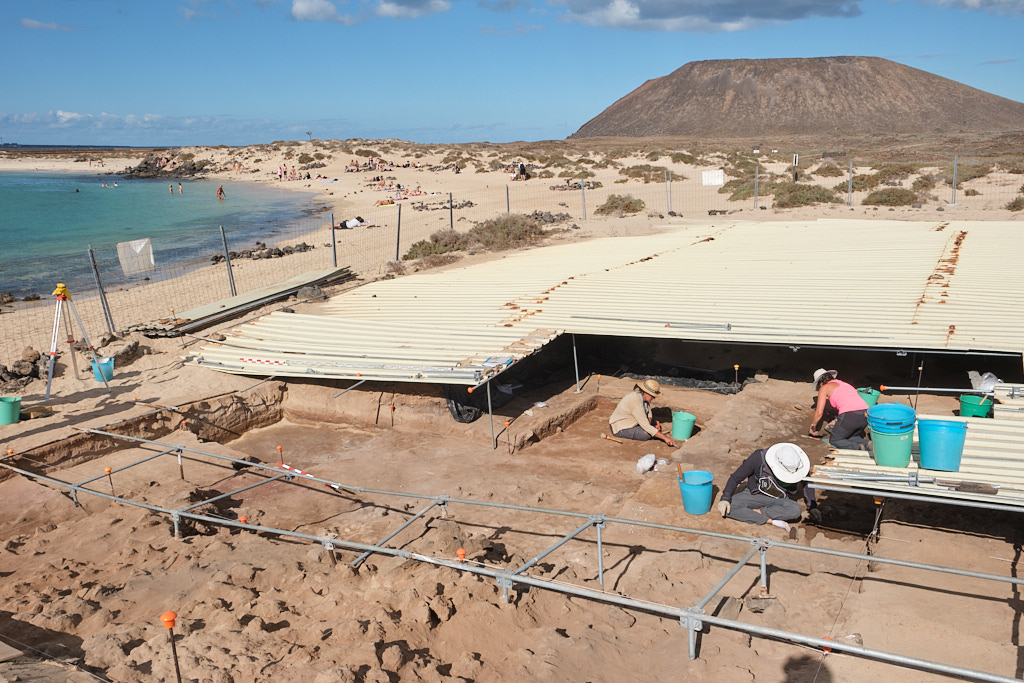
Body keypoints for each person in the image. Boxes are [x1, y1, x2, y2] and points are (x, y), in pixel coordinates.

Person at [717, 443, 819, 530]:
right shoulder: (758, 458)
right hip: (754, 495)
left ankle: (756, 512)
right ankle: (770, 520)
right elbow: (736, 477)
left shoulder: (797, 464)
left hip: (779, 499)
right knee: (729, 507)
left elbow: (807, 484)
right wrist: (725, 498)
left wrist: (812, 506)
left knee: (795, 510)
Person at [809, 368, 869, 450]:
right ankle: (868, 444)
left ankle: (860, 447)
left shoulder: (824, 388)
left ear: (820, 383)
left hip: (850, 415)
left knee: (835, 440)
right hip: (865, 415)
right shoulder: (844, 384)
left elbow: (819, 413)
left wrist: (813, 427)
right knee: (850, 437)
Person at [608, 379, 677, 447]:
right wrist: (665, 438)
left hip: (629, 420)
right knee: (646, 435)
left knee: (652, 424)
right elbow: (646, 426)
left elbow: (648, 408)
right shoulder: (636, 403)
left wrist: (649, 420)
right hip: (619, 427)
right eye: (652, 396)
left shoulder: (641, 396)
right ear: (645, 392)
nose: (654, 398)